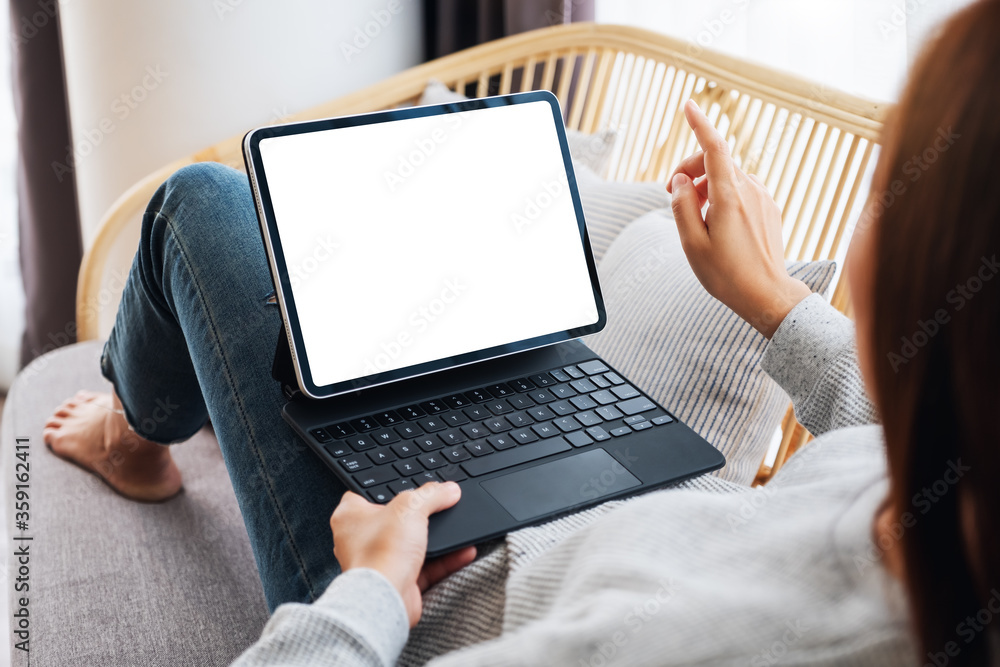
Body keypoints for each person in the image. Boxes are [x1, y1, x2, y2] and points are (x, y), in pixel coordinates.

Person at [42, 1, 999, 664]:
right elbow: (878, 429)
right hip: (608, 498)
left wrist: (373, 589)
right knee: (374, 345)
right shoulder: (952, 504)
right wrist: (774, 299)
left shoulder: (740, 637)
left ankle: (139, 434)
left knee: (200, 203)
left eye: (885, 192)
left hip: (437, 591)